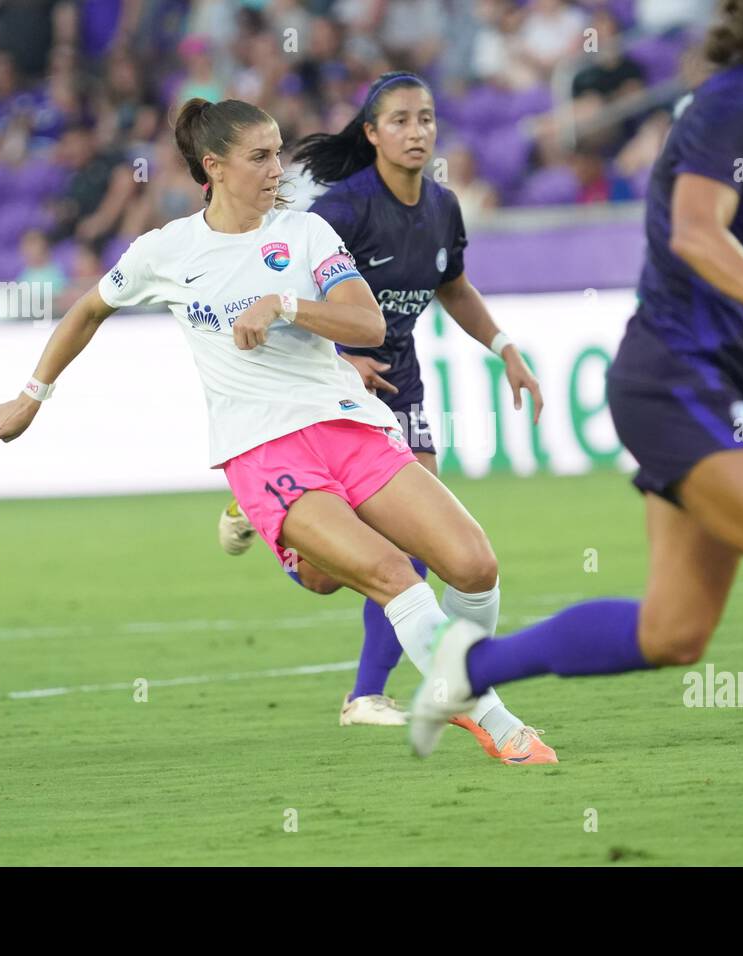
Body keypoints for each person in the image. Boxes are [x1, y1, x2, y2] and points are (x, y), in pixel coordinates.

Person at [406, 0, 743, 866]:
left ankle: (470, 667)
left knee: (672, 633)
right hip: (674, 377)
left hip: (717, 378)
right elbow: (692, 231)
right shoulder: (732, 105)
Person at [0, 96, 552, 767]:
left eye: (278, 153)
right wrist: (32, 395)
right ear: (214, 166)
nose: (278, 168)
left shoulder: (306, 234)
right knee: (393, 574)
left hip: (349, 425)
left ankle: (313, 564)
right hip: (263, 448)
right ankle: (495, 721)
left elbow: (368, 325)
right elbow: (87, 311)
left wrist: (284, 305)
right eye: (261, 156)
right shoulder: (166, 250)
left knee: (474, 565)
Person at [219, 71, 556, 765]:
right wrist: (343, 360)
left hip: (400, 388)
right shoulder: (342, 211)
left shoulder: (443, 206)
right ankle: (263, 507)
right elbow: (284, 294)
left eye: (426, 118)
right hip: (326, 393)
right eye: (400, 120)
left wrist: (504, 347)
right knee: (326, 576)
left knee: (423, 548)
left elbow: (453, 285)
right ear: (371, 133)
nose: (417, 131)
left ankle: (371, 694)